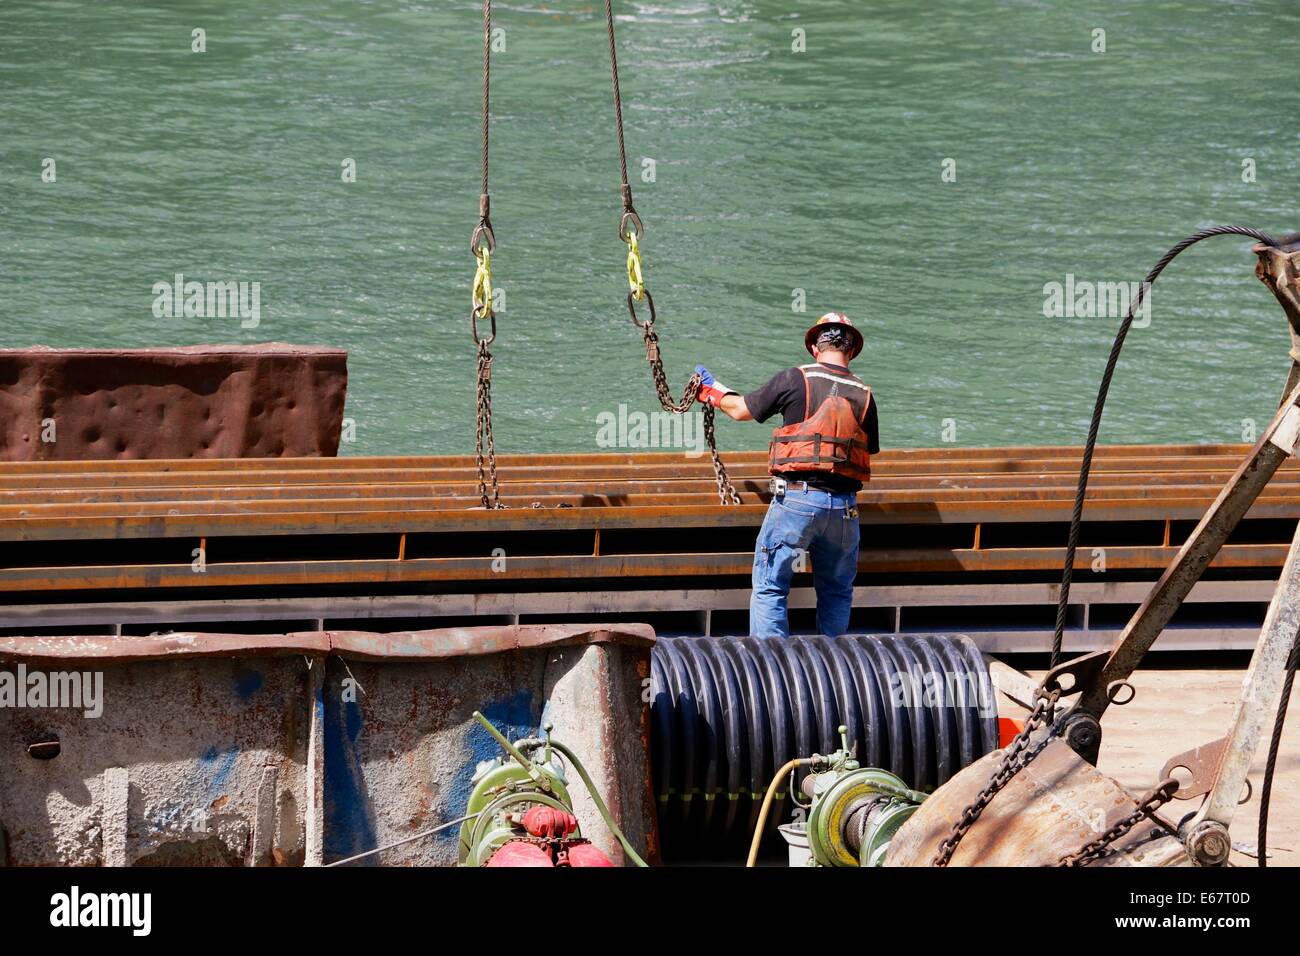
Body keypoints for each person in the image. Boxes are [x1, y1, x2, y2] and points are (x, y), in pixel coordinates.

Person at [696, 312, 878, 637]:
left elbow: (740, 410)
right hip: (845, 512)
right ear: (851, 351)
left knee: (771, 587)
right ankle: (834, 670)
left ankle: (771, 672)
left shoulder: (795, 379)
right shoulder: (864, 395)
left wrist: (711, 392)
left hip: (796, 502)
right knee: (836, 592)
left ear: (813, 346)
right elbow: (866, 450)